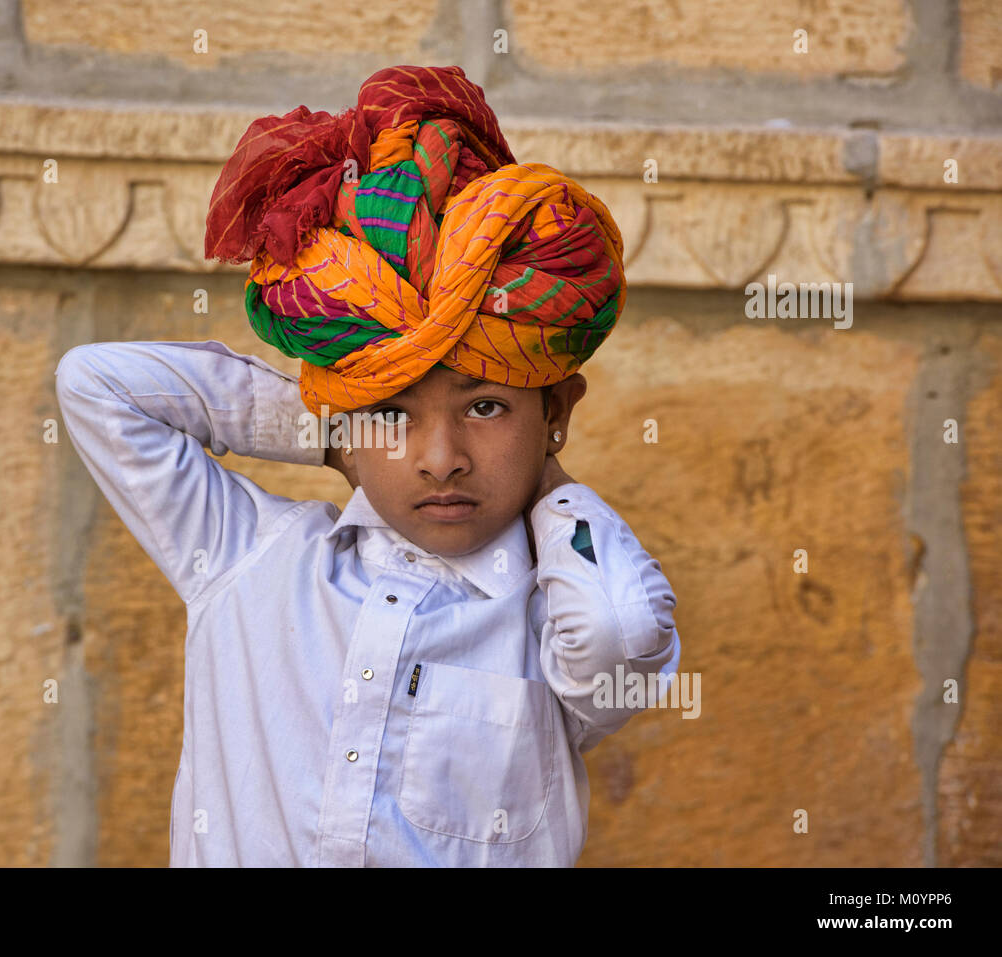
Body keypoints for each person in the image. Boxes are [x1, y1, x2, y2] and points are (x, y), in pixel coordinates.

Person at [54, 64, 680, 866]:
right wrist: (338, 427)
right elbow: (98, 387)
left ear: (556, 411)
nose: (441, 459)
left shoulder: (547, 620)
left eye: (485, 406)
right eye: (396, 414)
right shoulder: (248, 560)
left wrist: (546, 483)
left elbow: (620, 631)